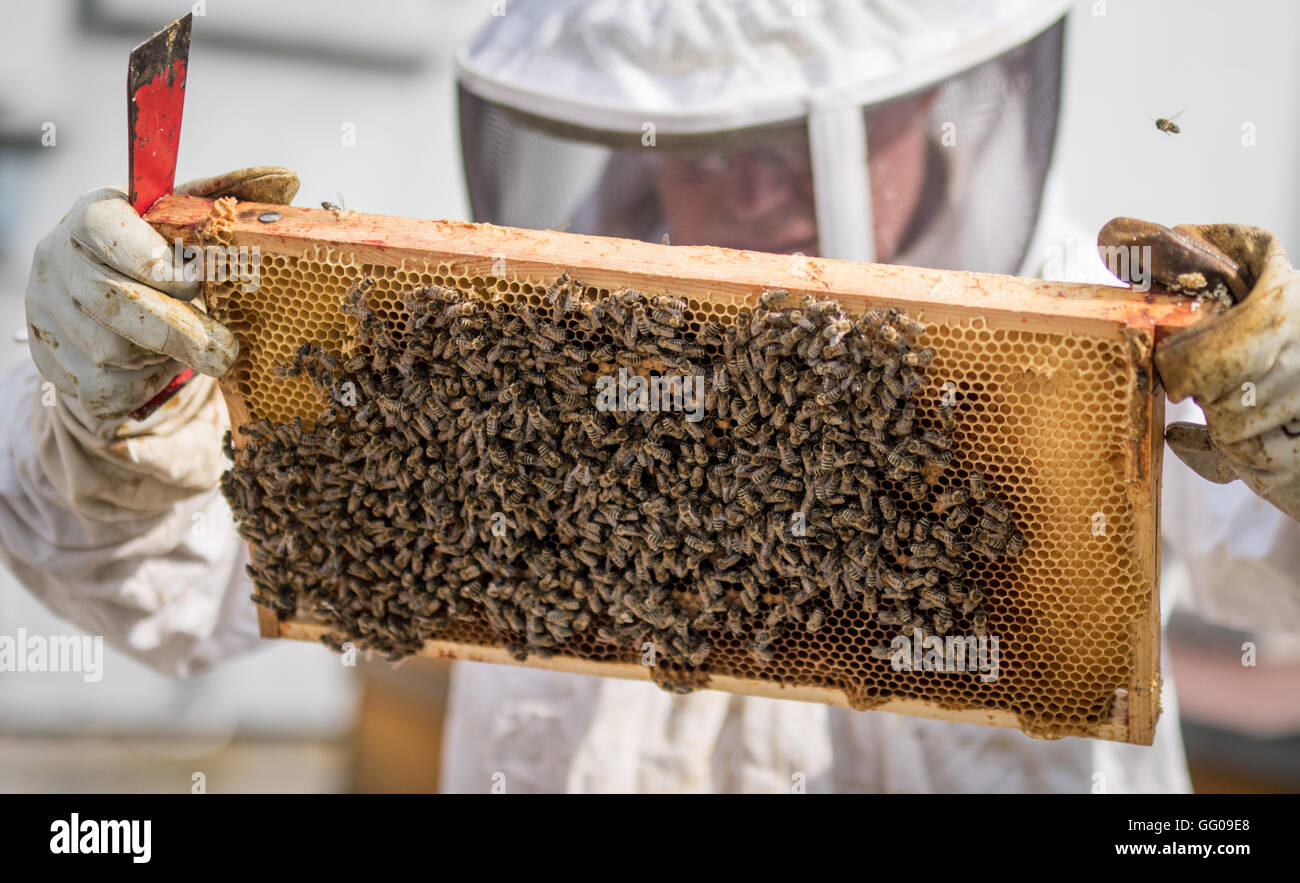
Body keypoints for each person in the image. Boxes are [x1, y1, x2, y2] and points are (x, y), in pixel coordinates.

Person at [7, 0, 1300, 792]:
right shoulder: (497, 343)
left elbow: (1274, 594)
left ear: (953, 106)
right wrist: (127, 419)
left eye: (804, 139)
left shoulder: (1088, 337)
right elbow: (175, 597)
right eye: (710, 149)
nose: (753, 193)